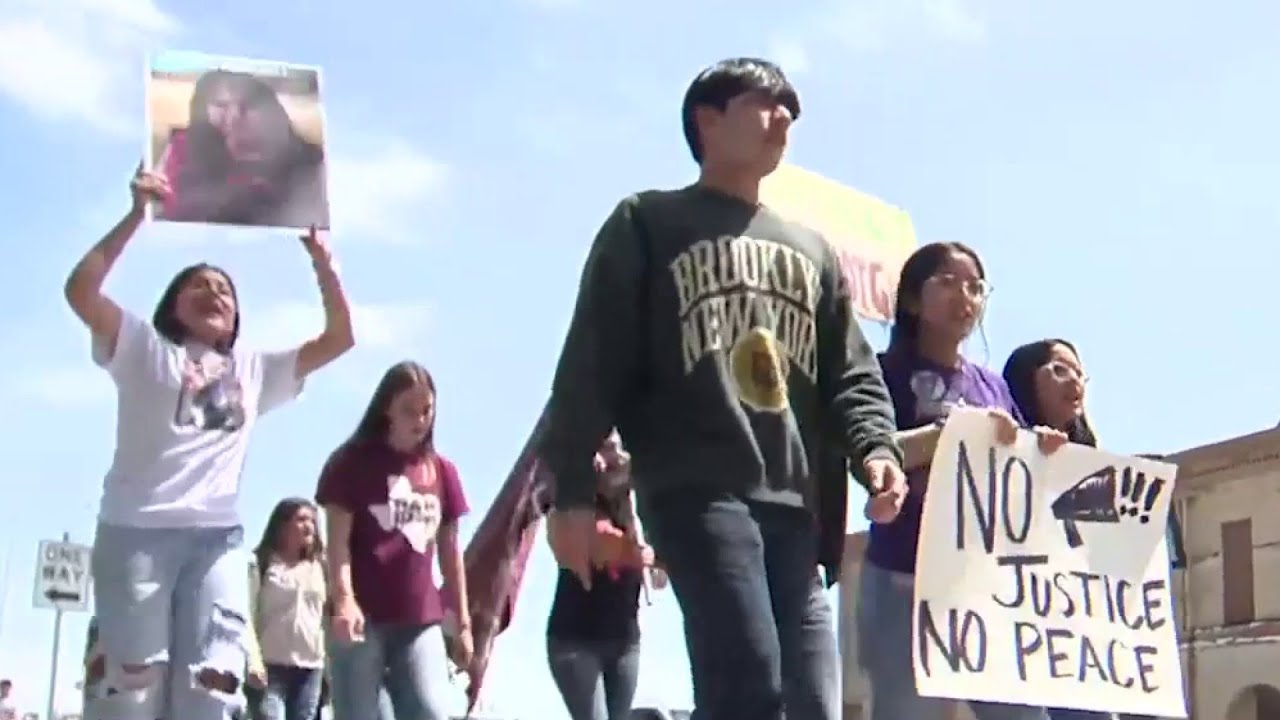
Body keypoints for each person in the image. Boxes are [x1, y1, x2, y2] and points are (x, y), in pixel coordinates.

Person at [538, 57, 906, 720]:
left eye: (791, 106)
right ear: (708, 120)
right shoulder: (648, 222)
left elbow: (851, 372)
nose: (785, 117)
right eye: (765, 102)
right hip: (696, 489)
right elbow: (592, 360)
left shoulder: (813, 250)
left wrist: (875, 450)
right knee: (747, 680)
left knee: (813, 699)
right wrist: (567, 491)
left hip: (797, 501)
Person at [65, 165, 354, 720]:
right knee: (134, 689)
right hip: (136, 535)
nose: (214, 291)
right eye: (198, 285)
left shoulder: (253, 370)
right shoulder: (143, 350)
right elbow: (80, 291)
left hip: (215, 542)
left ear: (236, 318)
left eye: (225, 289)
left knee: (211, 685)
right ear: (173, 306)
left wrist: (324, 264)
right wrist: (134, 217)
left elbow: (340, 338)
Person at [856, 242, 1068, 720]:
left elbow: (1013, 472)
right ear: (911, 299)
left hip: (985, 587)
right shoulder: (880, 373)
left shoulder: (993, 385)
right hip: (903, 580)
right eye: (948, 283)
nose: (965, 297)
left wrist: (1041, 448)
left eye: (975, 288)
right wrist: (943, 434)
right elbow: (870, 449)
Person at [317, 361, 473, 720]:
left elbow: (451, 555)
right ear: (386, 407)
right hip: (361, 616)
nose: (419, 420)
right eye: (409, 410)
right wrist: (343, 600)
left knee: (430, 710)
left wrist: (462, 623)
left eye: (427, 411)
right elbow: (337, 543)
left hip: (419, 616)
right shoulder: (349, 463)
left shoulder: (443, 471)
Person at [546, 431, 657, 720]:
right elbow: (603, 546)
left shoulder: (640, 508)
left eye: (620, 450)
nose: (615, 458)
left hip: (624, 641)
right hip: (575, 641)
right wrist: (642, 551)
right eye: (607, 450)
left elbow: (659, 576)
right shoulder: (573, 506)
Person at [156, 69, 328, 229]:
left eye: (248, 105)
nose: (234, 116)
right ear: (202, 108)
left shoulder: (310, 164)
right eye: (220, 105)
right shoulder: (181, 148)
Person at [251, 498, 329, 720]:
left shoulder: (321, 567)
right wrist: (251, 660)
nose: (309, 526)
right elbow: (248, 613)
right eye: (301, 519)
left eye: (312, 521)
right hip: (270, 666)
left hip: (311, 667)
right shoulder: (263, 563)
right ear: (282, 525)